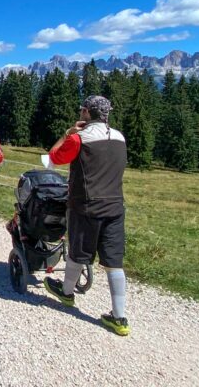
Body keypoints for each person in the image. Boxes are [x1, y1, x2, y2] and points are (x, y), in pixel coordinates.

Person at [43, 95, 130, 336]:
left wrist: (67, 133)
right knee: (114, 261)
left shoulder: (79, 138)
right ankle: (119, 317)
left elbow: (54, 157)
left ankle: (67, 292)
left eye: (82, 110)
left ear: (88, 113)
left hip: (86, 204)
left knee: (78, 252)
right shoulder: (120, 137)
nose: (80, 112)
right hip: (115, 205)